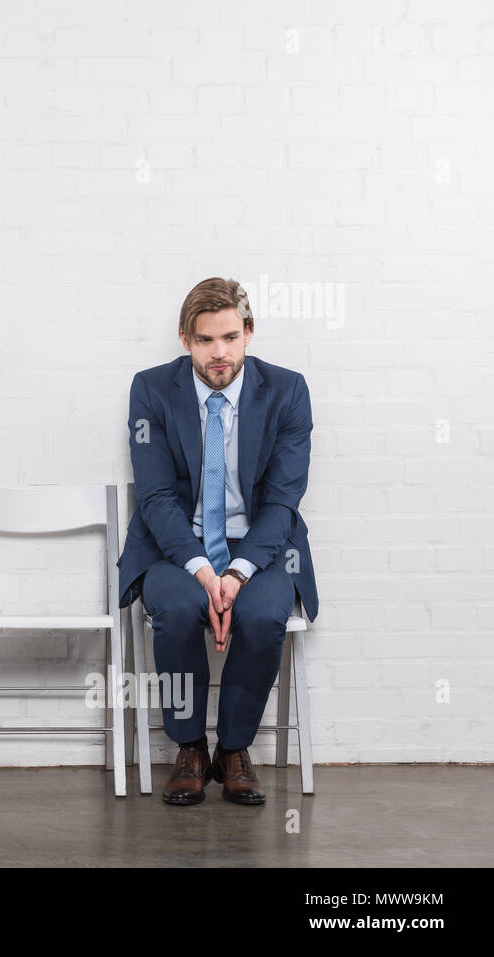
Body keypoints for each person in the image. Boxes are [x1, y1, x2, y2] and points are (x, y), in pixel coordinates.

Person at [117, 277, 319, 806]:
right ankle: (189, 748)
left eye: (230, 337)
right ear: (186, 339)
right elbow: (157, 497)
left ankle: (233, 750)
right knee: (179, 610)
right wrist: (205, 571)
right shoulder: (152, 390)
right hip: (176, 544)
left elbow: (282, 500)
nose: (219, 353)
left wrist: (237, 573)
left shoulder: (287, 391)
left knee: (262, 613)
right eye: (205, 340)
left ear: (248, 333)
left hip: (261, 545)